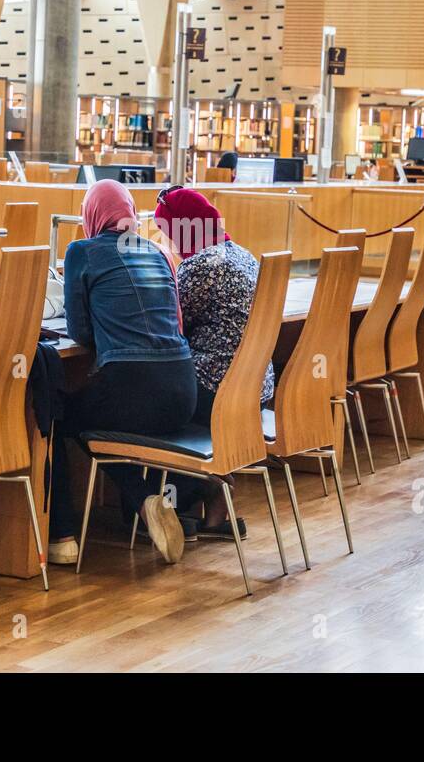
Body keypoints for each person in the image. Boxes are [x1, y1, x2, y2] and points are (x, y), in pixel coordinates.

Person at [48, 179, 197, 566]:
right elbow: (176, 325)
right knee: (105, 415)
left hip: (132, 391)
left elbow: (80, 332)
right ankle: (148, 504)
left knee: (58, 416)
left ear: (91, 216)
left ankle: (62, 536)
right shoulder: (158, 252)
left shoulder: (82, 251)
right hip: (183, 391)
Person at [152, 186, 275, 541]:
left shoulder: (200, 266)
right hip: (253, 393)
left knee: (151, 395)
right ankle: (205, 502)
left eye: (167, 232)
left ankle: (178, 504)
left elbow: (169, 325)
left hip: (215, 393)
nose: (167, 242)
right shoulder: (243, 255)